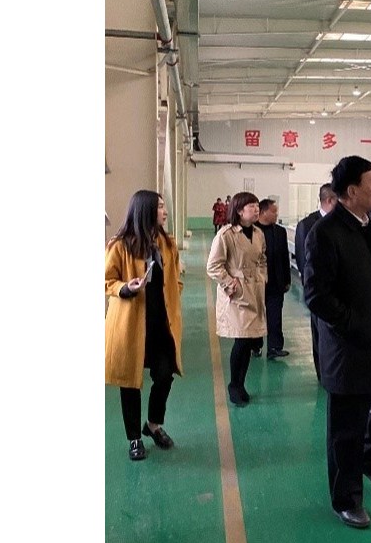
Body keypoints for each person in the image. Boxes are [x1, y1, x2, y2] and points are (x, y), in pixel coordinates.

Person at [303, 157, 371, 529]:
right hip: (350, 349)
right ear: (351, 191)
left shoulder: (370, 226)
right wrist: (354, 324)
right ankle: (346, 499)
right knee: (346, 429)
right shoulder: (325, 233)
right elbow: (316, 296)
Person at [104, 189, 186, 461]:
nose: (165, 212)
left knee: (165, 374)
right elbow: (107, 281)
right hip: (130, 326)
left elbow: (175, 278)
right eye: (160, 207)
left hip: (161, 325)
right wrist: (126, 287)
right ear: (146, 211)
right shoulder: (120, 246)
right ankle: (134, 439)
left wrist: (174, 293)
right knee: (130, 383)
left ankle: (152, 424)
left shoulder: (167, 244)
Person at [206, 191, 267, 406]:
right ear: (240, 211)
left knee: (248, 340)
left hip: (255, 290)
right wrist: (230, 283)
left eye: (257, 206)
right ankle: (234, 385)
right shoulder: (226, 235)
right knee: (241, 340)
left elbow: (262, 259)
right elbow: (213, 266)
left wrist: (262, 277)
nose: (256, 210)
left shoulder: (258, 233)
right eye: (252, 206)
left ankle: (241, 384)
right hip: (236, 295)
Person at [294, 183, 337, 379]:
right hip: (319, 291)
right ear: (329, 200)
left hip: (339, 291)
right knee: (320, 332)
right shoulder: (307, 224)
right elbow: (303, 260)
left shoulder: (340, 223)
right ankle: (323, 372)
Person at [258, 198, 292, 360]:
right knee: (256, 316)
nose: (276, 214)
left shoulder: (280, 232)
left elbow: (285, 257)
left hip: (276, 282)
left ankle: (275, 347)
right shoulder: (252, 231)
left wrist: (287, 279)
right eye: (274, 211)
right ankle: (255, 345)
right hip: (257, 283)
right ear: (263, 212)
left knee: (275, 316)